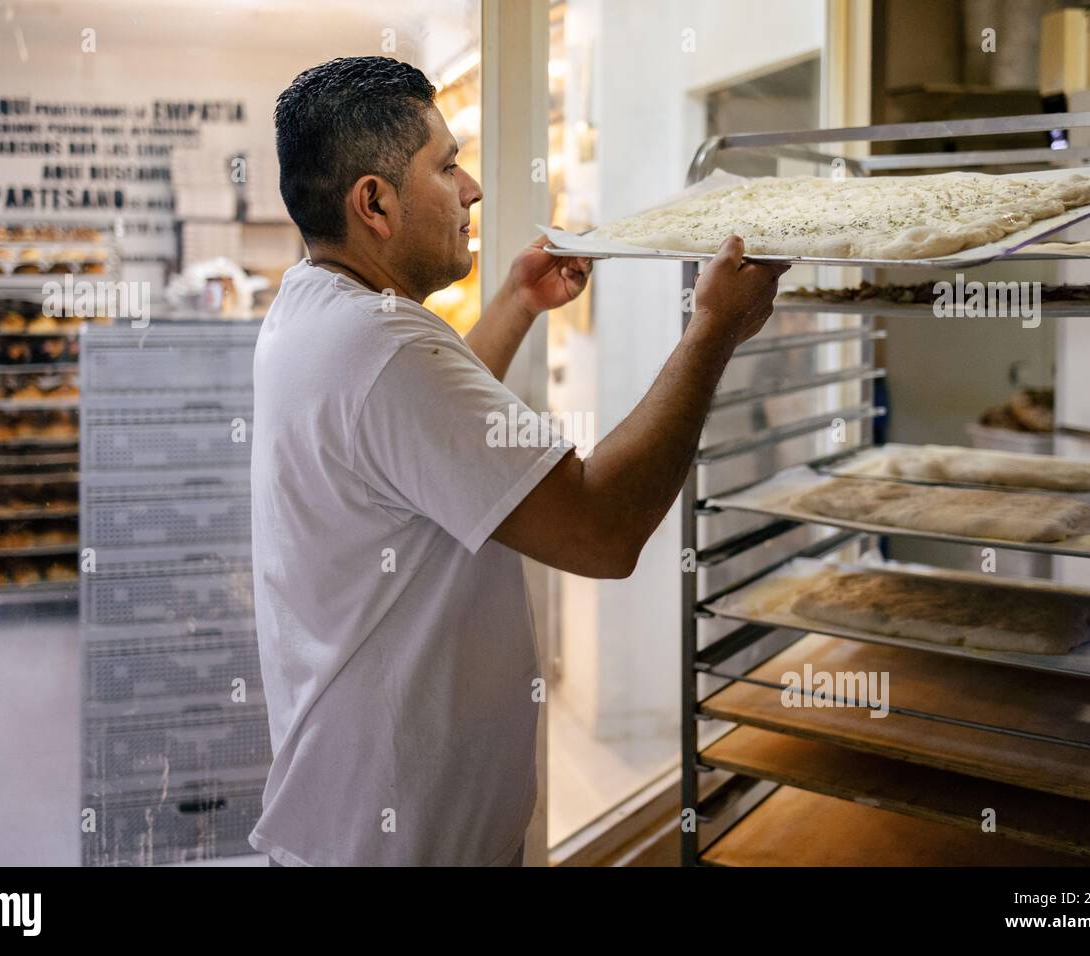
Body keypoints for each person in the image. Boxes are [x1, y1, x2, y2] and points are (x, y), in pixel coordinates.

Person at [250, 55, 786, 866]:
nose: (471, 189)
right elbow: (602, 530)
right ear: (375, 203)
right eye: (448, 166)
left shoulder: (317, 309)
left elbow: (423, 442)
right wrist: (712, 330)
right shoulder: (384, 346)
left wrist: (517, 303)